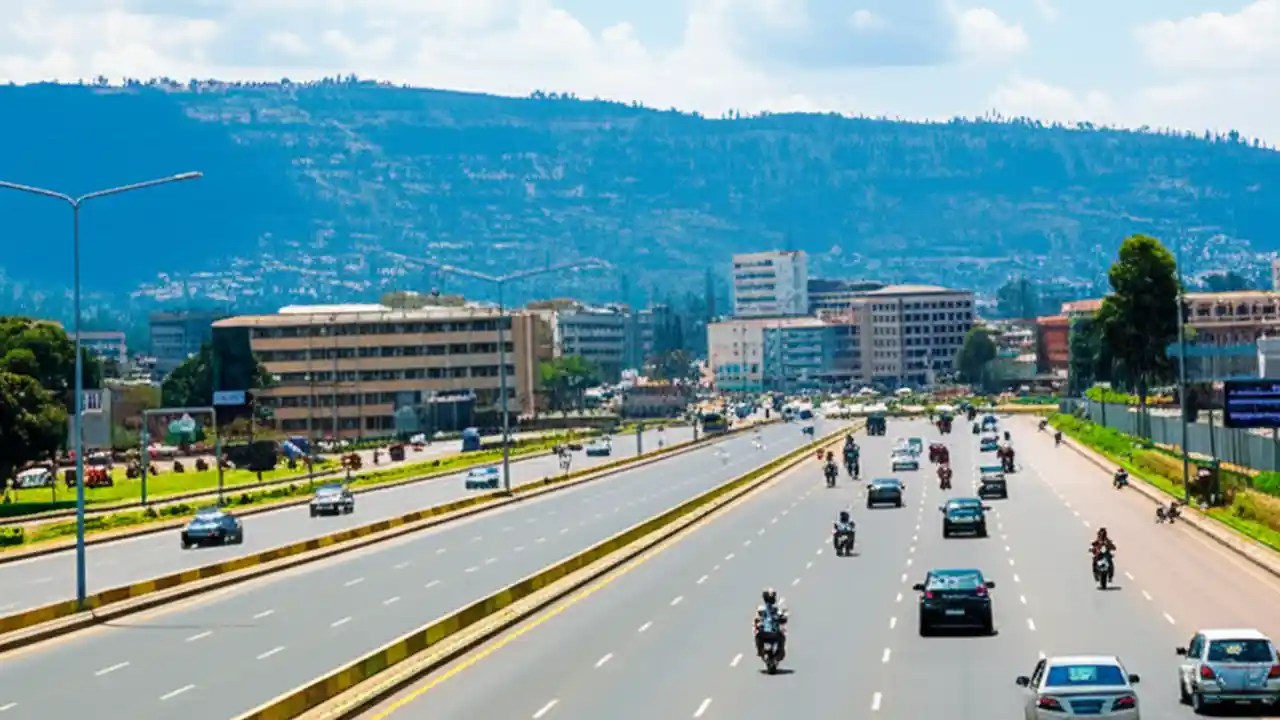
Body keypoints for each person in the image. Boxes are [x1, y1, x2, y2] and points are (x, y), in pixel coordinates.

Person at [754, 588, 788, 660]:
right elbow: (756, 621)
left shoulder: (764, 609)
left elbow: (756, 621)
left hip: (769, 633)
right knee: (782, 637)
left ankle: (763, 651)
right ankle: (762, 651)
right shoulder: (764, 609)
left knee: (782, 636)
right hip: (771, 633)